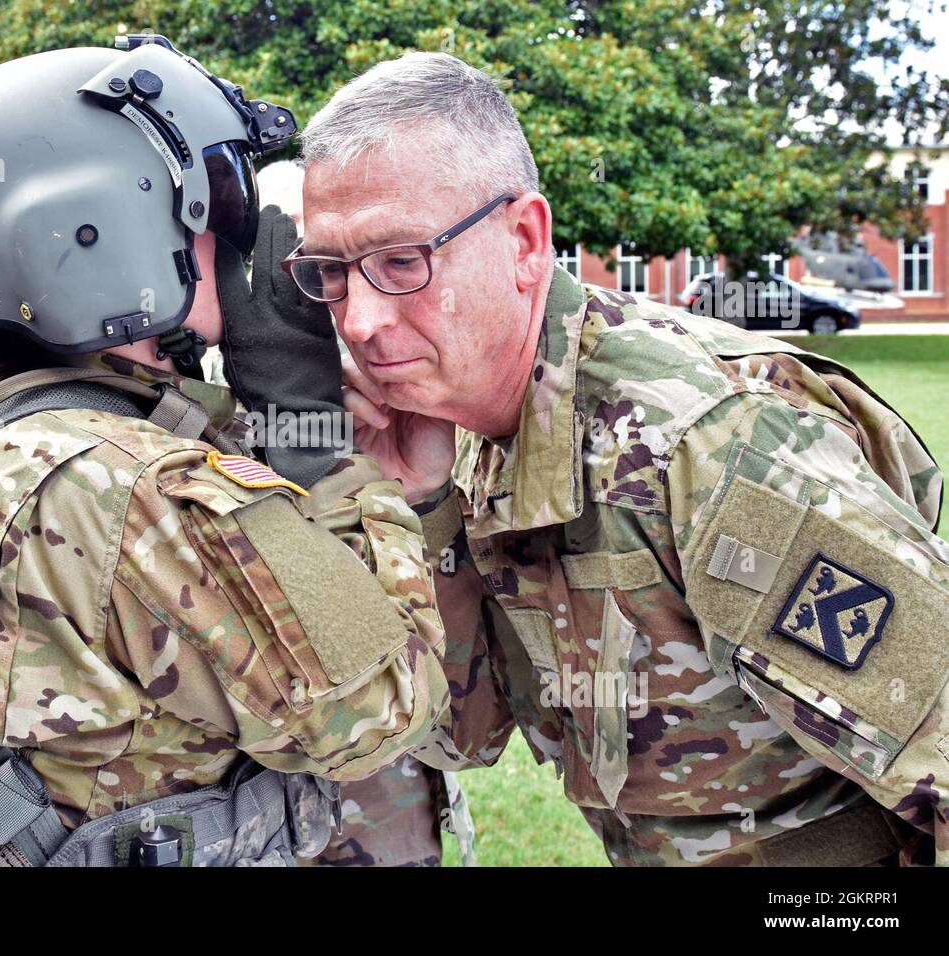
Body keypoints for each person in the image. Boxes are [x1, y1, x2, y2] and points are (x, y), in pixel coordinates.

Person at [0, 37, 490, 869]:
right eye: (215, 211)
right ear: (97, 233)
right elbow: (382, 706)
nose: (241, 247)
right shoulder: (116, 480)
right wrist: (317, 442)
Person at [294, 51, 949, 865]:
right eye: (329, 271)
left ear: (526, 241)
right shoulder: (465, 434)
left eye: (401, 262)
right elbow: (469, 735)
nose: (357, 321)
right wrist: (425, 499)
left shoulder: (710, 448)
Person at [243, 157, 477, 867]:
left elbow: (462, 722)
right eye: (316, 277)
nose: (351, 313)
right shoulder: (188, 440)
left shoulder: (389, 413)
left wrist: (419, 499)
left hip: (398, 823)